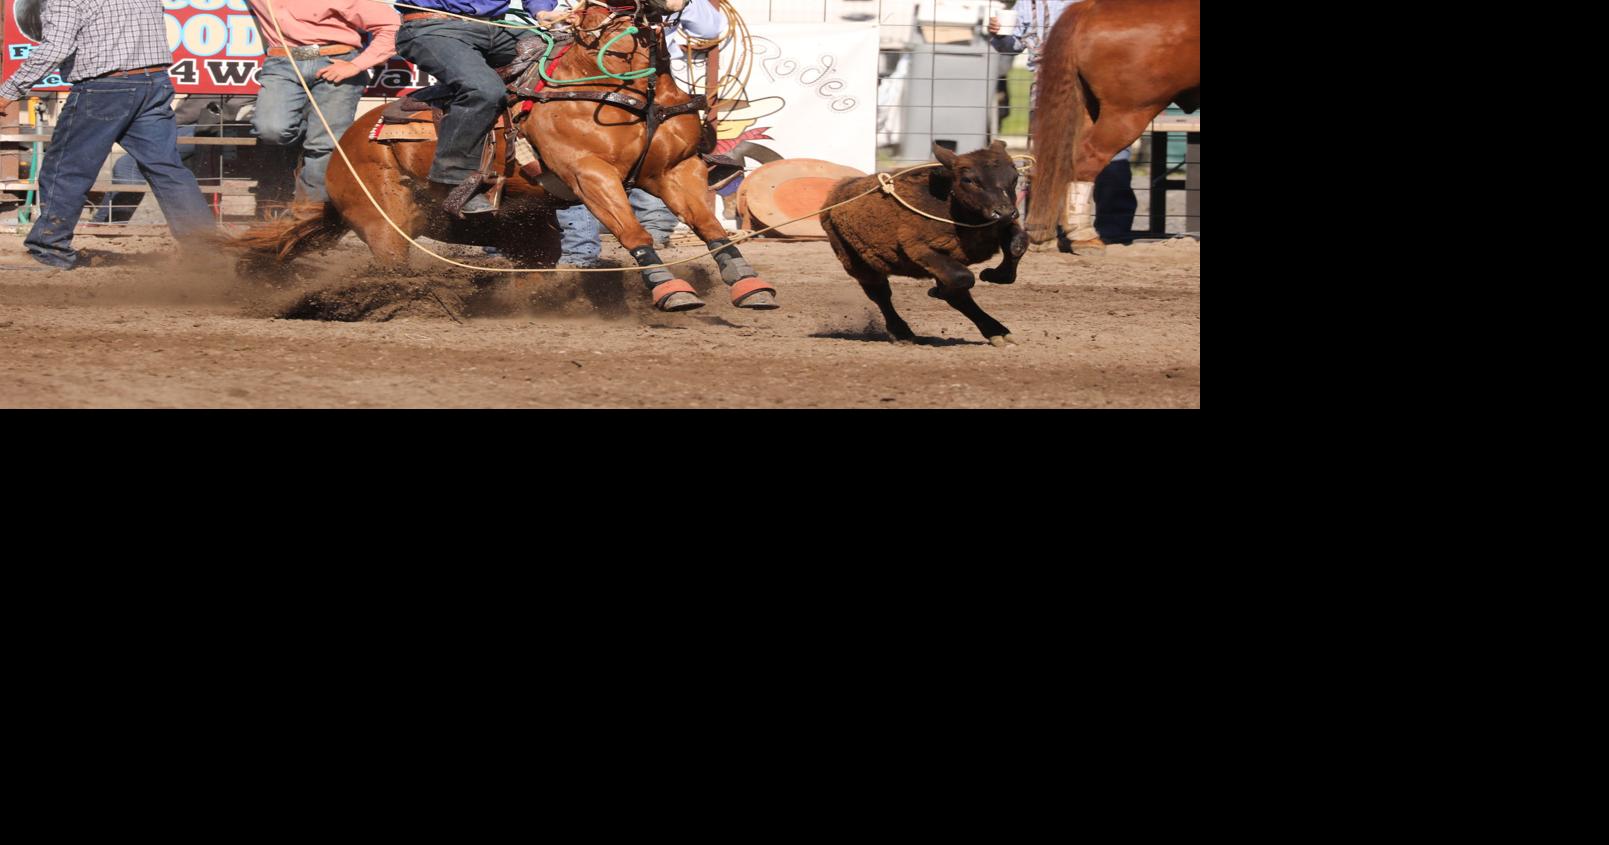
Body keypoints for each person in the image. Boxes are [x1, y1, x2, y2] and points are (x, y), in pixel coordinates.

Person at [0, 0, 214, 270]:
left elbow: (56, 47)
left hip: (104, 86)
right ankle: (207, 250)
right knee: (167, 169)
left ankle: (49, 249)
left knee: (66, 168)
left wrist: (8, 92)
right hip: (154, 82)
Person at [550, 0, 727, 263]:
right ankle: (587, 254)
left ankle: (650, 247)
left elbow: (709, 29)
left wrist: (680, 4)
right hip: (602, 83)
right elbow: (561, 20)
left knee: (664, 158)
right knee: (591, 162)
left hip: (654, 83)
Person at [989, 0, 1138, 245]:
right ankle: (1042, 227)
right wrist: (999, 34)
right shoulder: (1029, 3)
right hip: (1050, 86)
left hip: (1101, 84)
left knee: (1111, 156)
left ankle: (1113, 230)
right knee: (1047, 158)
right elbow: (1012, 45)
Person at [244, 0, 399, 204]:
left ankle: (311, 210)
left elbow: (392, 25)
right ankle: (301, 161)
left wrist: (356, 65)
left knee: (326, 144)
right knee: (271, 129)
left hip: (336, 60)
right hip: (282, 61)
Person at [92, 96, 254, 223]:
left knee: (129, 165)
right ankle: (108, 223)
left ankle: (107, 224)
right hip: (212, 125)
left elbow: (197, 106)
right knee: (134, 165)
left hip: (216, 126)